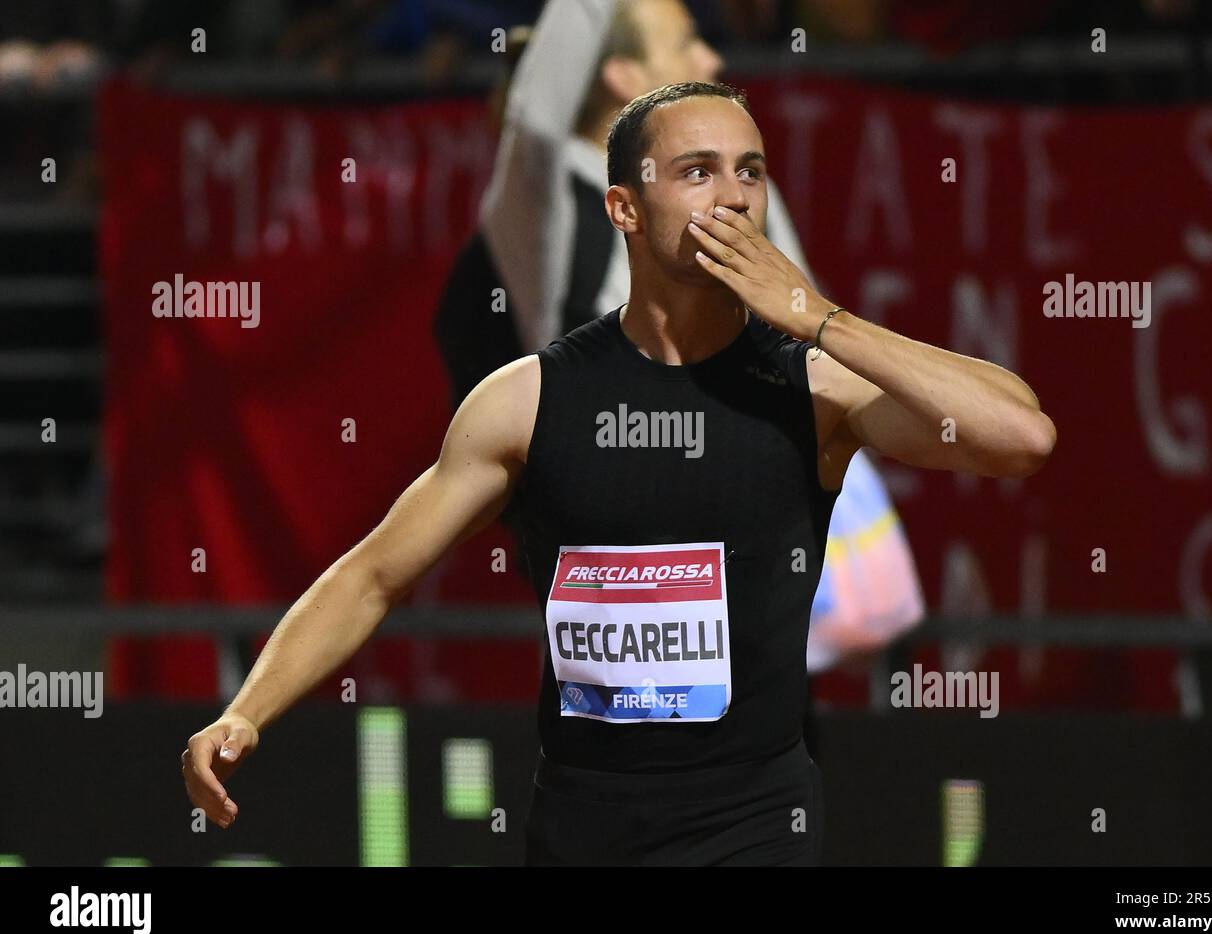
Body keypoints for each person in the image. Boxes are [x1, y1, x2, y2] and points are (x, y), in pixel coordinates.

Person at [183, 80, 1055, 865]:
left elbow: (1020, 437)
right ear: (624, 208)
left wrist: (820, 316)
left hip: (755, 821)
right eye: (697, 171)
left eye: (751, 171)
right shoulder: (528, 401)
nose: (734, 198)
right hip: (582, 820)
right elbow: (373, 575)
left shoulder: (815, 387)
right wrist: (245, 711)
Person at [435, 0, 926, 737]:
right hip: (624, 576)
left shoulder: (741, 199)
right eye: (686, 42)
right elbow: (535, 123)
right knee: (629, 777)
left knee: (767, 771)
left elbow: (807, 333)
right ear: (621, 73)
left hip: (752, 554)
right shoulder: (544, 204)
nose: (711, 60)